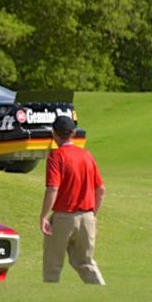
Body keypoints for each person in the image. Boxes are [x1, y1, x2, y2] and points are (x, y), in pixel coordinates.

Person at [39, 115, 106, 284]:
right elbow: (101, 190)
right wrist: (93, 215)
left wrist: (43, 216)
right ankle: (103, 296)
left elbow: (53, 188)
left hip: (63, 217)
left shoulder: (56, 156)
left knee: (52, 266)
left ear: (54, 134)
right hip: (87, 216)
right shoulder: (87, 156)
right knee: (86, 263)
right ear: (73, 133)